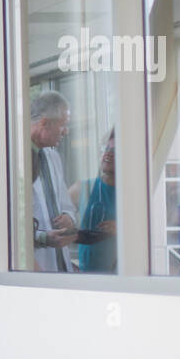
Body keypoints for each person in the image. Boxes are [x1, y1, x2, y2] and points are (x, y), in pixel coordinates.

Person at [30, 90, 78, 271]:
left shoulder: (53, 156)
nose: (66, 132)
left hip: (60, 262)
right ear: (44, 123)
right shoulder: (15, 159)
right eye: (63, 125)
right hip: (35, 264)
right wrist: (44, 237)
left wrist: (69, 218)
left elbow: (66, 204)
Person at [69, 128, 116, 273]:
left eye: (115, 150)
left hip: (123, 280)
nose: (108, 153)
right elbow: (52, 226)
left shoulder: (135, 193)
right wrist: (67, 264)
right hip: (88, 281)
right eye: (105, 148)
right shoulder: (81, 188)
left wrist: (124, 229)